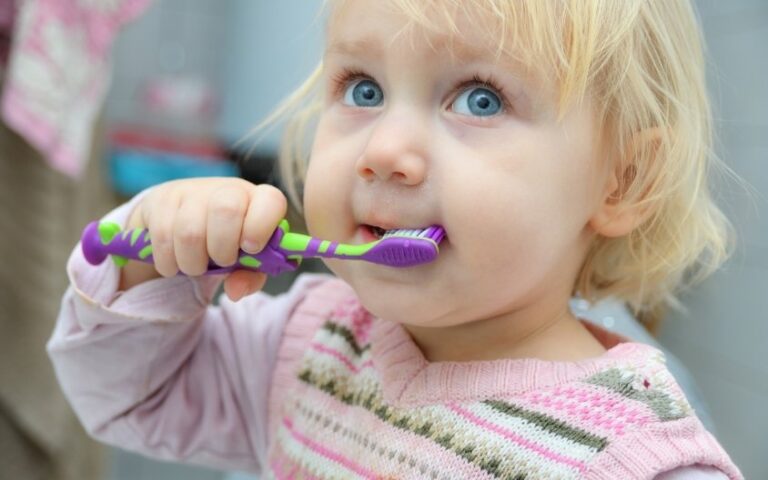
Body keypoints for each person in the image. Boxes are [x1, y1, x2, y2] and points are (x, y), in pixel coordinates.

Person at [48, 0, 743, 478]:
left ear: (621, 181)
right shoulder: (310, 340)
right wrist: (152, 264)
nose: (385, 149)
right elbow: (132, 397)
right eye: (364, 89)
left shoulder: (636, 455)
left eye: (480, 98)